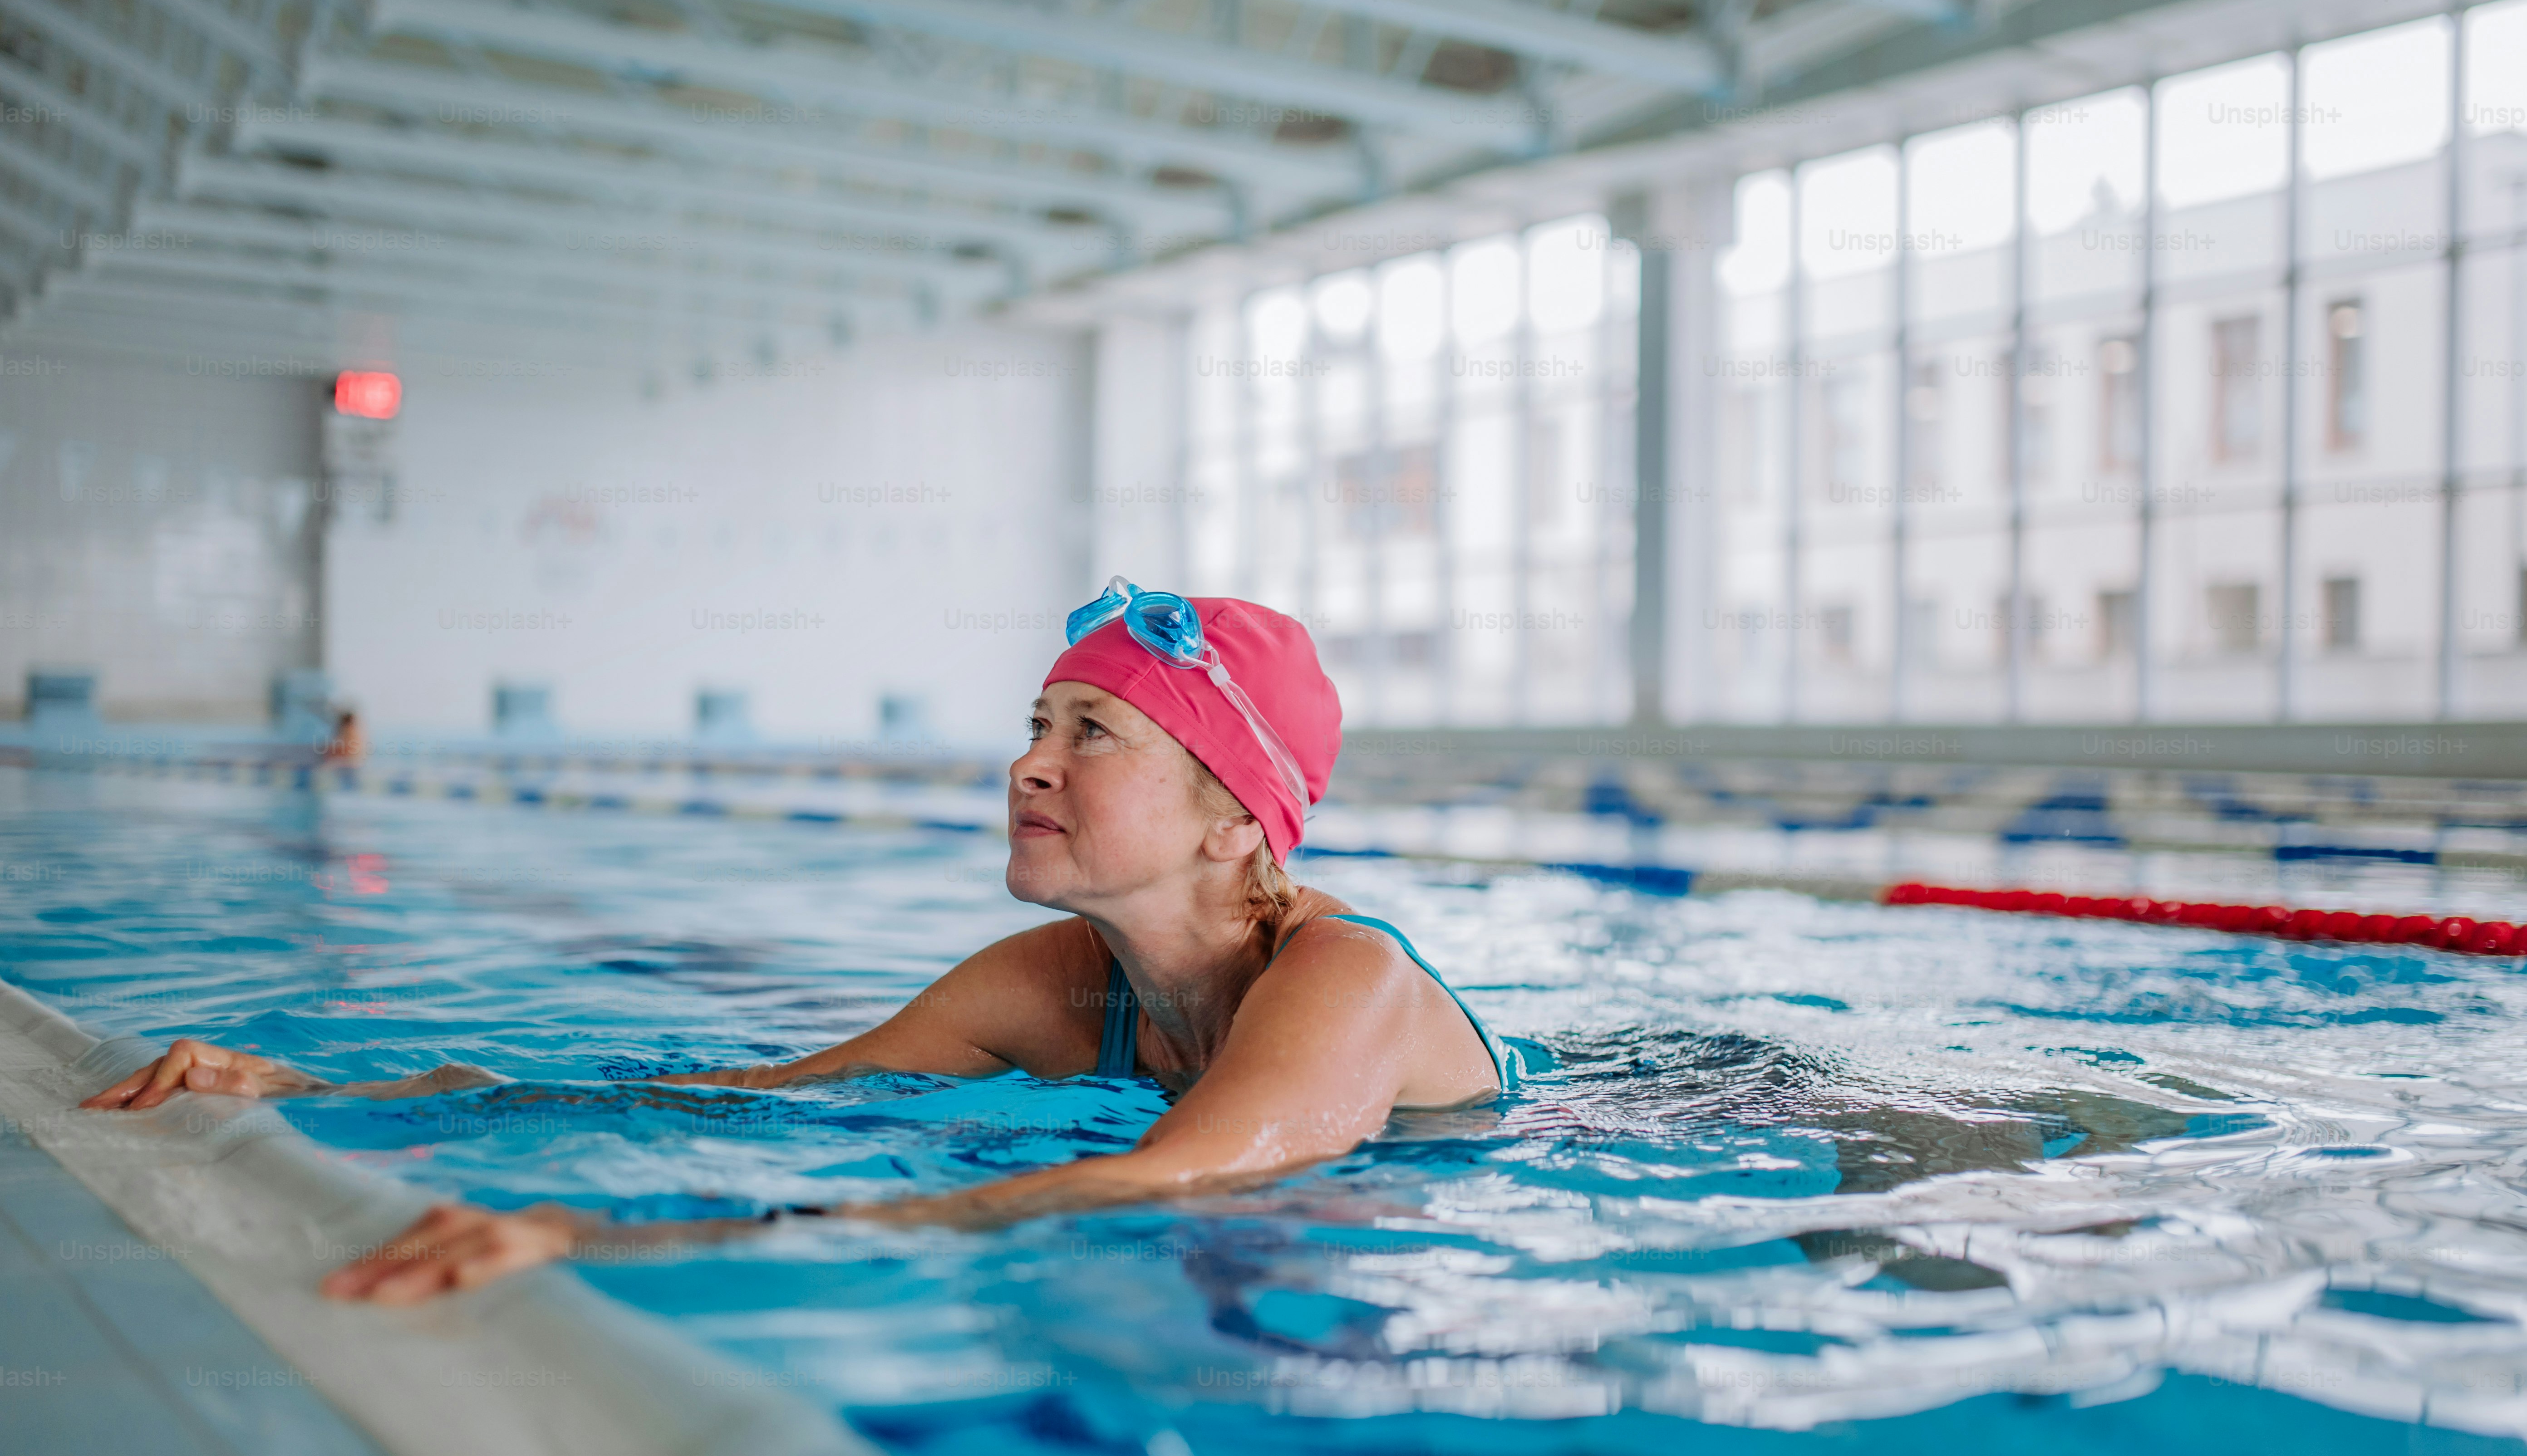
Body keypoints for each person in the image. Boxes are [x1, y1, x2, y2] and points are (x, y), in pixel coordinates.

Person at [82, 581, 1530, 1304]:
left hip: (1600, 1124)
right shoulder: (1052, 986)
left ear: (1234, 822)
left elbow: (1154, 1184)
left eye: (1091, 733)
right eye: (1036, 722)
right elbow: (758, 1095)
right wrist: (306, 1091)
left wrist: (606, 1238)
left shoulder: (1347, 980)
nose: (1029, 762)